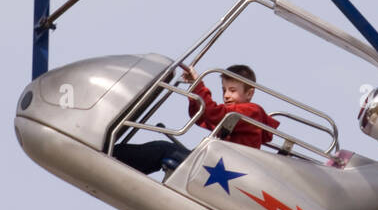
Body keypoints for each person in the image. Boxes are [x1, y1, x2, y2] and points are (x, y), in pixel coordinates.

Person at [111, 64, 280, 175]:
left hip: (223, 171)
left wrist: (199, 85)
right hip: (220, 167)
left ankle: (114, 155)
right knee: (164, 151)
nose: (227, 95)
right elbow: (201, 117)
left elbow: (213, 113)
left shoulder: (250, 112)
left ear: (249, 93)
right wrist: (195, 93)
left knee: (163, 149)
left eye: (233, 90)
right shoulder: (236, 117)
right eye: (224, 90)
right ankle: (121, 167)